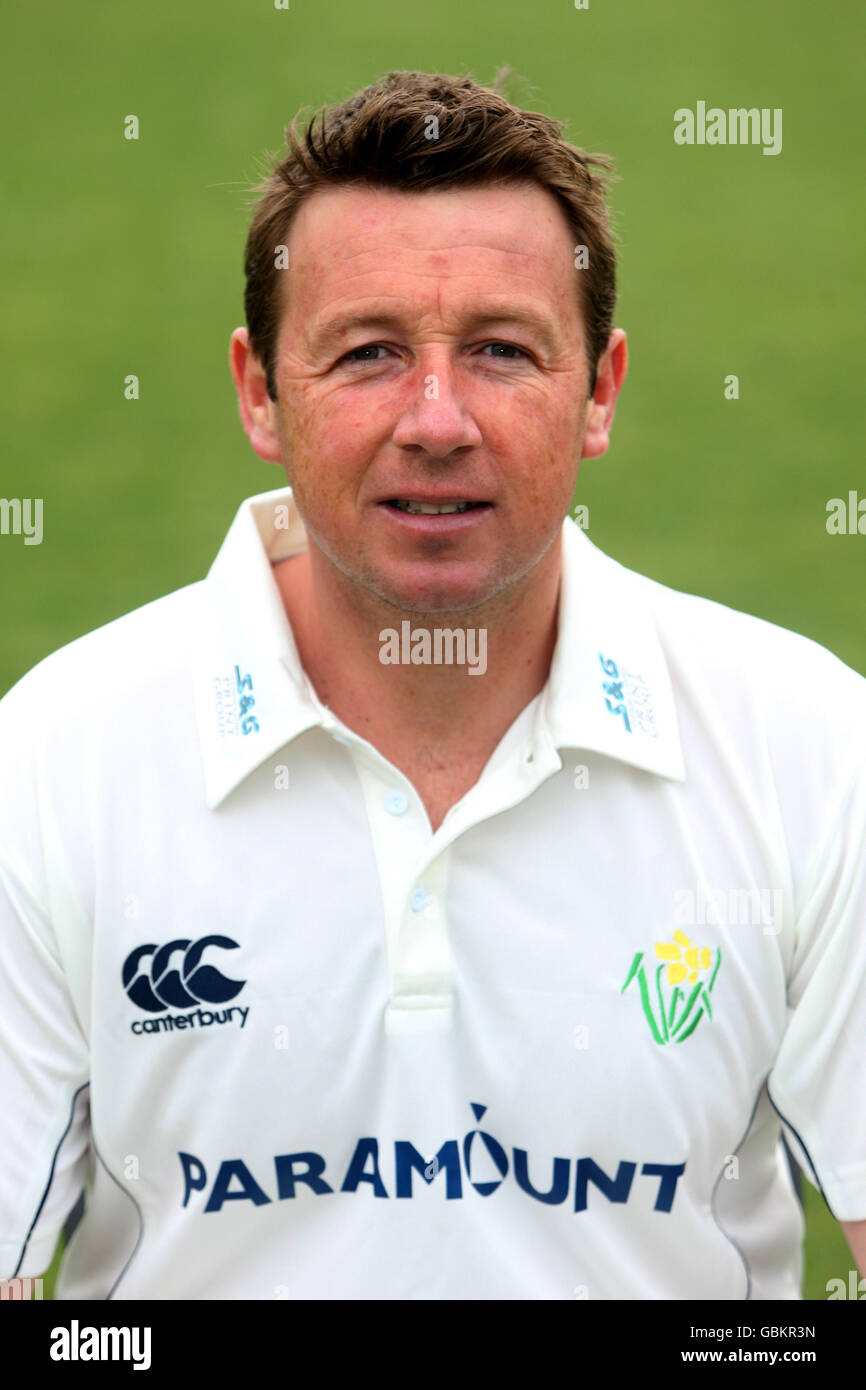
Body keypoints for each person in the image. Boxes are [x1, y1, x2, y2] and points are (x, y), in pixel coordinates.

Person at [1, 70, 864, 1301]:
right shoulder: (49, 762)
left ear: (600, 392)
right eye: (368, 354)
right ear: (258, 391)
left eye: (502, 352)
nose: (436, 419)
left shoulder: (810, 746)